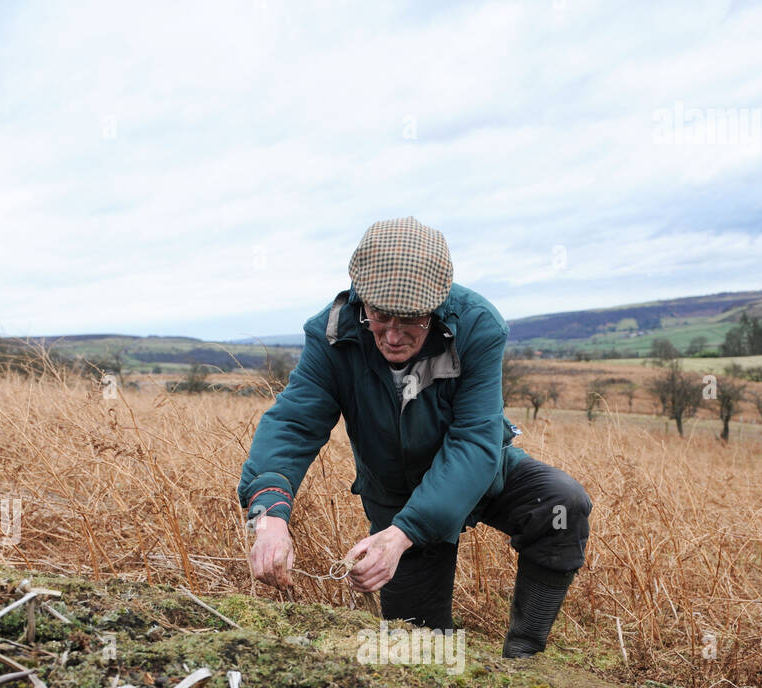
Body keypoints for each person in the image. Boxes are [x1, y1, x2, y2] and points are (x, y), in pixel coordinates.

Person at [239, 216, 592, 657]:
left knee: (561, 503)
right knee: (421, 652)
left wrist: (403, 533)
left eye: (410, 321)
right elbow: (294, 422)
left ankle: (523, 658)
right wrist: (269, 513)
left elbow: (474, 442)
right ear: (359, 299)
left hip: (479, 473)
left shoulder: (478, 327)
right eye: (379, 316)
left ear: (437, 305)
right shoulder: (332, 335)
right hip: (397, 496)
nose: (391, 335)